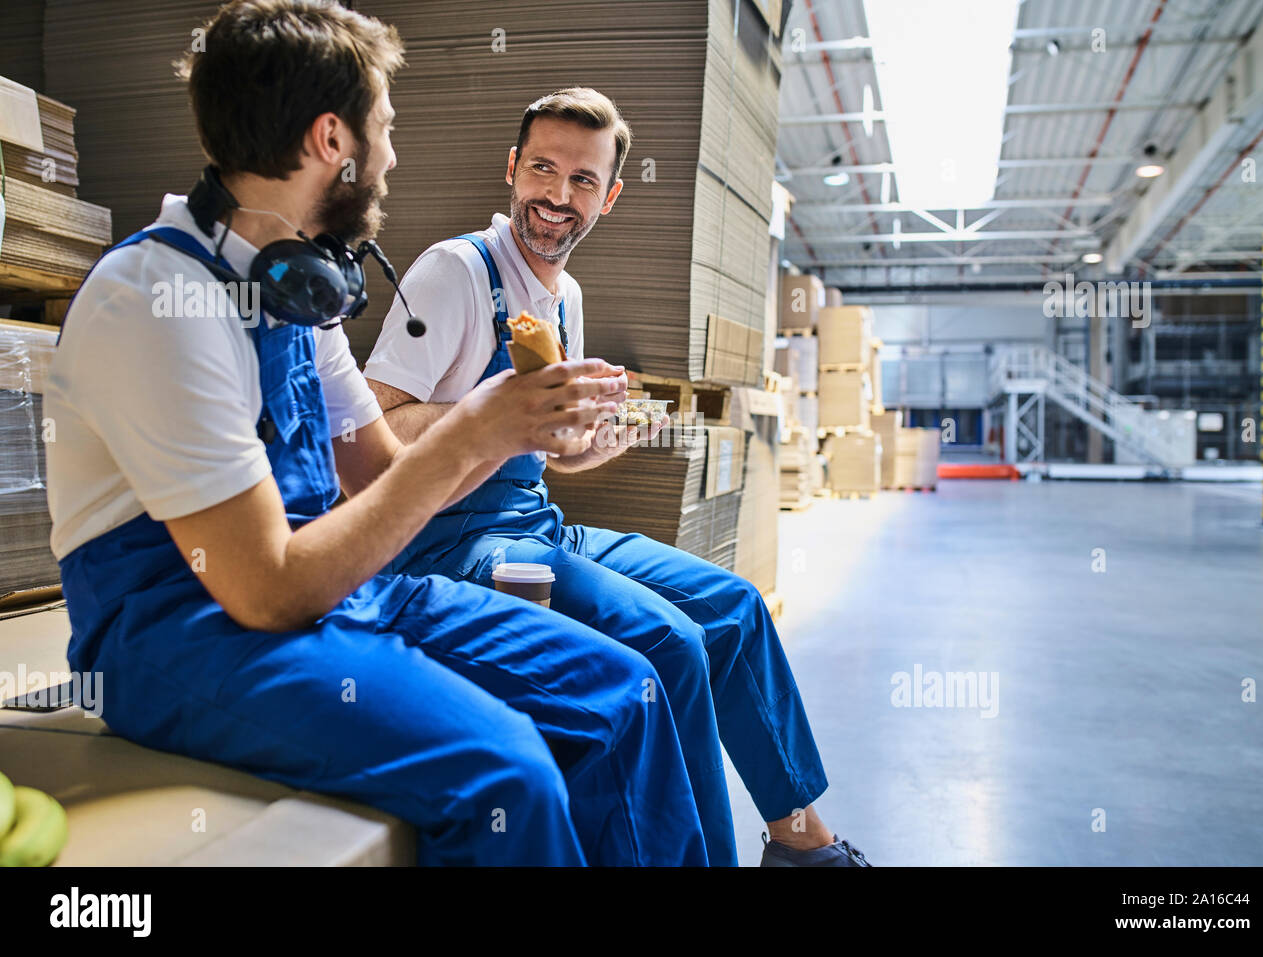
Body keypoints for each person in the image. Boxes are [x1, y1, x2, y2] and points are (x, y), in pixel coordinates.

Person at [44, 0, 709, 867]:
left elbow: (381, 475)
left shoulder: (296, 289)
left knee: (630, 691)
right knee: (509, 775)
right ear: (332, 140)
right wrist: (475, 428)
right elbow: (265, 591)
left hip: (339, 590)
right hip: (184, 635)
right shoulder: (157, 301)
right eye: (384, 130)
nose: (392, 158)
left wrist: (530, 430)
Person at [364, 88, 870, 867]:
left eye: (582, 180)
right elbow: (374, 436)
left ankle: (802, 843)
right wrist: (489, 411)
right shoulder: (456, 273)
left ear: (611, 194)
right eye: (543, 168)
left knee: (733, 608)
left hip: (531, 522)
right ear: (512, 169)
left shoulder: (563, 297)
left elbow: (546, 452)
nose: (557, 196)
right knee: (671, 644)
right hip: (444, 540)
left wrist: (587, 447)